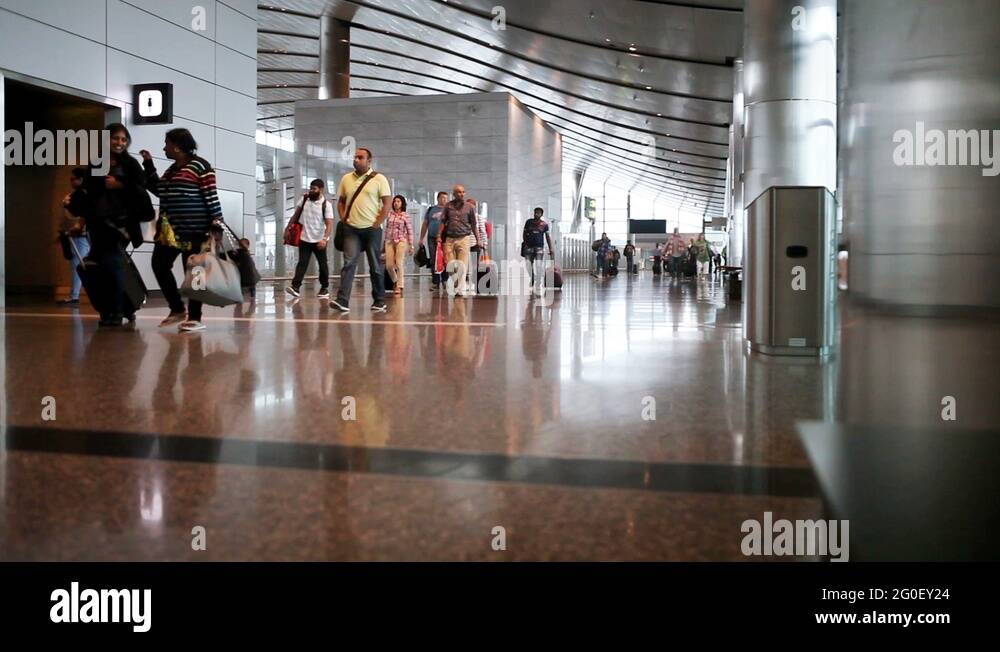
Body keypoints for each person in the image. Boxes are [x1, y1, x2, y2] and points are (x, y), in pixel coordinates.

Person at [141, 128, 223, 332]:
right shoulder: (172, 169)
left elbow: (211, 195)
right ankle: (177, 308)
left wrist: (216, 223)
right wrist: (149, 165)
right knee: (159, 265)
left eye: (166, 143)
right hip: (171, 232)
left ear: (177, 146)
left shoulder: (201, 166)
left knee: (195, 272)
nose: (164, 147)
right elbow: (159, 190)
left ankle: (195, 317)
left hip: (196, 229)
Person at [74, 123, 147, 327]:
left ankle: (115, 311)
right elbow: (90, 196)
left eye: (123, 139)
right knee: (101, 267)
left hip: (121, 225)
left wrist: (120, 184)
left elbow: (141, 191)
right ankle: (119, 308)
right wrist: (81, 222)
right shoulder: (97, 163)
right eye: (116, 138)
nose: (119, 143)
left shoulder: (131, 164)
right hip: (98, 223)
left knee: (113, 263)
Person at [329, 147, 391, 313]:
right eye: (355, 157)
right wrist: (343, 218)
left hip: (372, 230)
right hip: (351, 230)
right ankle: (342, 300)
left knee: (375, 266)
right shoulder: (346, 179)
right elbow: (341, 201)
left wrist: (377, 223)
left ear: (369, 161)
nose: (355, 160)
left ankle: (379, 300)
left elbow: (387, 203)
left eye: (360, 157)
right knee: (349, 264)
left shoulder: (380, 179)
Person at [285, 178, 334, 299]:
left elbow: (329, 224)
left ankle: (324, 288)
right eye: (310, 188)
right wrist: (287, 229)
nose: (311, 191)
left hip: (319, 240)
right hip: (304, 238)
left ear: (321, 190)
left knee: (322, 265)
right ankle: (295, 287)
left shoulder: (326, 205)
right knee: (302, 263)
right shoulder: (305, 199)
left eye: (314, 189)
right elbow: (295, 215)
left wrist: (324, 239)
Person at [436, 184, 481, 297]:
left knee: (462, 265)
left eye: (463, 192)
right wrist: (438, 235)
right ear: (454, 194)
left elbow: (474, 225)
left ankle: (460, 289)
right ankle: (457, 283)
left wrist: (478, 239)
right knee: (451, 266)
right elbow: (442, 221)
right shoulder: (448, 206)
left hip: (464, 238)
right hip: (450, 239)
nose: (461, 194)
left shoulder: (469, 207)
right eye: (459, 192)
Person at [58, 167, 90, 305]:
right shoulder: (86, 194)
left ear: (80, 179)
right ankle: (75, 294)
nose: (71, 181)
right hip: (83, 234)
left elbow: (76, 213)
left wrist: (66, 205)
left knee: (78, 265)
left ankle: (74, 295)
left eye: (73, 179)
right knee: (81, 264)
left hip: (79, 235)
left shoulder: (79, 195)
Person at [384, 194, 414, 297]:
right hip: (389, 241)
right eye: (395, 201)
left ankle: (399, 286)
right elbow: (386, 229)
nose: (396, 203)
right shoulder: (390, 214)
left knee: (399, 262)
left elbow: (410, 231)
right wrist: (384, 243)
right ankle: (395, 280)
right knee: (389, 265)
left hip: (401, 241)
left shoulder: (406, 216)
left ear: (402, 204)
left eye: (398, 201)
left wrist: (411, 245)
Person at [419, 191, 448, 291]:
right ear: (438, 198)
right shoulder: (431, 209)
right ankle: (435, 282)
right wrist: (421, 238)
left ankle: (445, 280)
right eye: (443, 198)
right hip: (431, 238)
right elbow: (425, 224)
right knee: (433, 260)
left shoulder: (448, 210)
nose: (444, 200)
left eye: (446, 198)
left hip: (445, 238)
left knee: (445, 259)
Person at [521, 206, 554, 296]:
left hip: (539, 248)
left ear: (541, 214)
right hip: (529, 247)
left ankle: (538, 281)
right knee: (528, 265)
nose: (536, 214)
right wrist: (525, 243)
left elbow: (547, 237)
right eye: (535, 212)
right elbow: (524, 233)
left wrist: (551, 248)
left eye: (538, 213)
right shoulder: (528, 222)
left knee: (538, 265)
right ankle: (532, 277)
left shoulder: (544, 225)